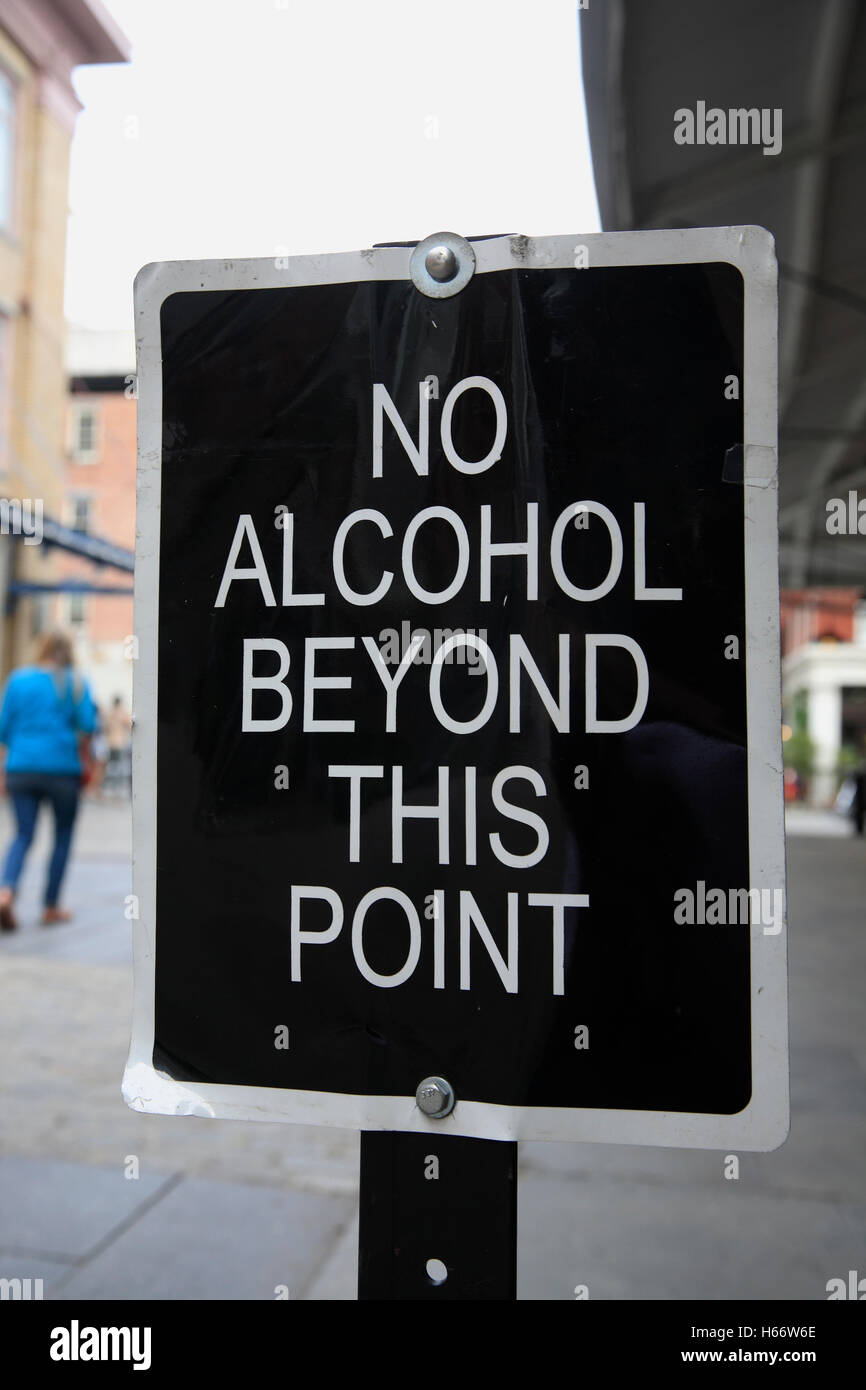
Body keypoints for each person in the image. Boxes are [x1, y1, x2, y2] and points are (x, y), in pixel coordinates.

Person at [0, 632, 96, 930]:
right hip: (62, 770)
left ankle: (6, 890)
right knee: (62, 836)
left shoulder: (18, 680)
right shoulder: (75, 682)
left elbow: (3, 729)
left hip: (22, 768)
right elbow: (89, 725)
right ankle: (51, 906)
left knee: (23, 835)